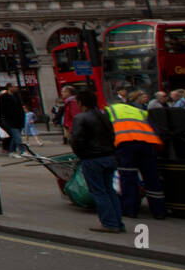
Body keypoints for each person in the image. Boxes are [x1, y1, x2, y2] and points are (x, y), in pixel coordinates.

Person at [104, 90, 166, 220]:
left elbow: (106, 132)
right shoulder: (140, 112)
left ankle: (130, 210)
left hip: (126, 145)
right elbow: (156, 129)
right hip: (148, 144)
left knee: (128, 178)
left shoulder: (110, 111)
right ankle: (159, 212)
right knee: (152, 179)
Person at [70, 89, 125, 233]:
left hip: (92, 159)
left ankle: (109, 223)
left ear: (80, 102)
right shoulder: (104, 116)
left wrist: (81, 155)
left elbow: (76, 140)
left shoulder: (80, 118)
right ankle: (118, 222)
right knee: (109, 190)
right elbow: (112, 135)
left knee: (99, 192)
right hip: (109, 157)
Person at [0, 86, 26, 156]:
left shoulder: (16, 96)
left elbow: (20, 108)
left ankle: (12, 151)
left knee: (15, 136)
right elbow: (1, 109)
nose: (16, 88)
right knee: (17, 136)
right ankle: (22, 150)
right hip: (10, 120)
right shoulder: (4, 98)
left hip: (18, 120)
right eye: (14, 87)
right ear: (9, 88)